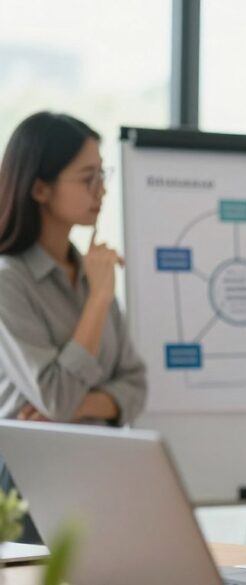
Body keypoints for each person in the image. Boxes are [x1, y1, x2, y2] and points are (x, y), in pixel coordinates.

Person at [0, 112, 148, 543]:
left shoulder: (91, 271)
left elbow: (136, 387)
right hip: (26, 481)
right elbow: (56, 396)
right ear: (40, 188)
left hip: (97, 473)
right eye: (88, 178)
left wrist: (82, 408)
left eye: (103, 175)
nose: (101, 189)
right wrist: (99, 301)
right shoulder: (9, 280)